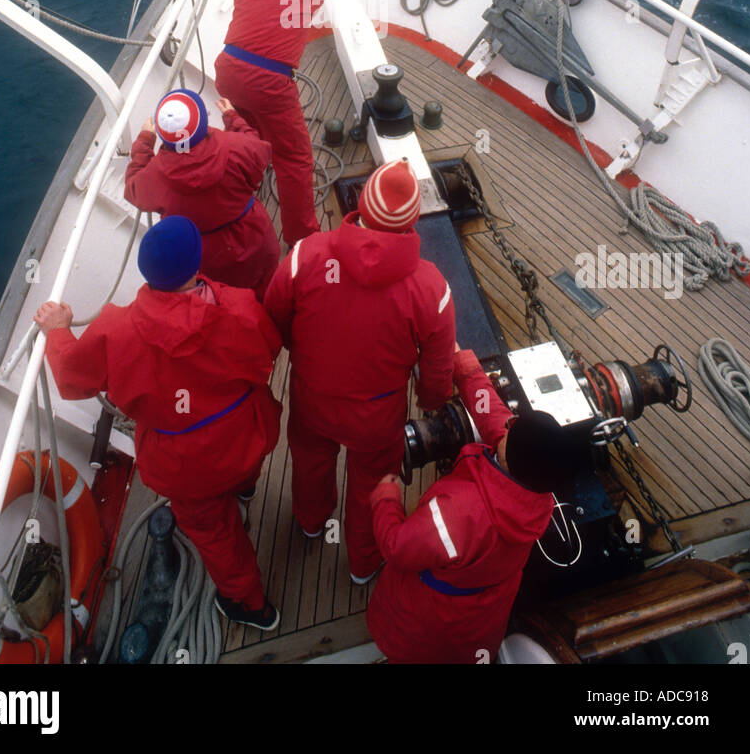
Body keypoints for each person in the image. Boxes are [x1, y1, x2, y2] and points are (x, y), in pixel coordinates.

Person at [35, 216, 282, 630]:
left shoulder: (116, 331)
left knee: (218, 536)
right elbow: (267, 356)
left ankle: (251, 605)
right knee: (240, 469)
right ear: (197, 260)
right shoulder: (240, 306)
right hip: (246, 437)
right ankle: (245, 486)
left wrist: (58, 332)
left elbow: (72, 379)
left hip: (186, 468)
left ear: (147, 272)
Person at [263, 159, 457, 583]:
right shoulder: (432, 288)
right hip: (377, 416)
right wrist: (431, 401)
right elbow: (438, 369)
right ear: (412, 220)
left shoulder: (305, 256)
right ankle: (363, 564)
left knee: (311, 461)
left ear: (362, 205)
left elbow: (273, 320)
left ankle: (312, 522)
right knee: (373, 485)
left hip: (313, 399)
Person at [366, 346, 589, 664]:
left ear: (511, 454)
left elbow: (399, 547)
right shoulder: (534, 490)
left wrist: (386, 497)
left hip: (428, 625)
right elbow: (490, 412)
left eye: (512, 429)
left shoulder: (457, 514)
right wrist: (463, 364)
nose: (508, 425)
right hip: (478, 622)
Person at [214, 0, 331, 246]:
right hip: (271, 82)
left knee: (242, 141)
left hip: (229, 69)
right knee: (293, 158)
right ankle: (303, 239)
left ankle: (231, 214)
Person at [124, 89, 281, 301]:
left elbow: (133, 189)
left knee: (228, 302)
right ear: (202, 123)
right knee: (272, 289)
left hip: (209, 259)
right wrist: (234, 119)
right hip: (255, 238)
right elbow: (259, 149)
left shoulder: (155, 175)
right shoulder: (235, 146)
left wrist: (144, 141)